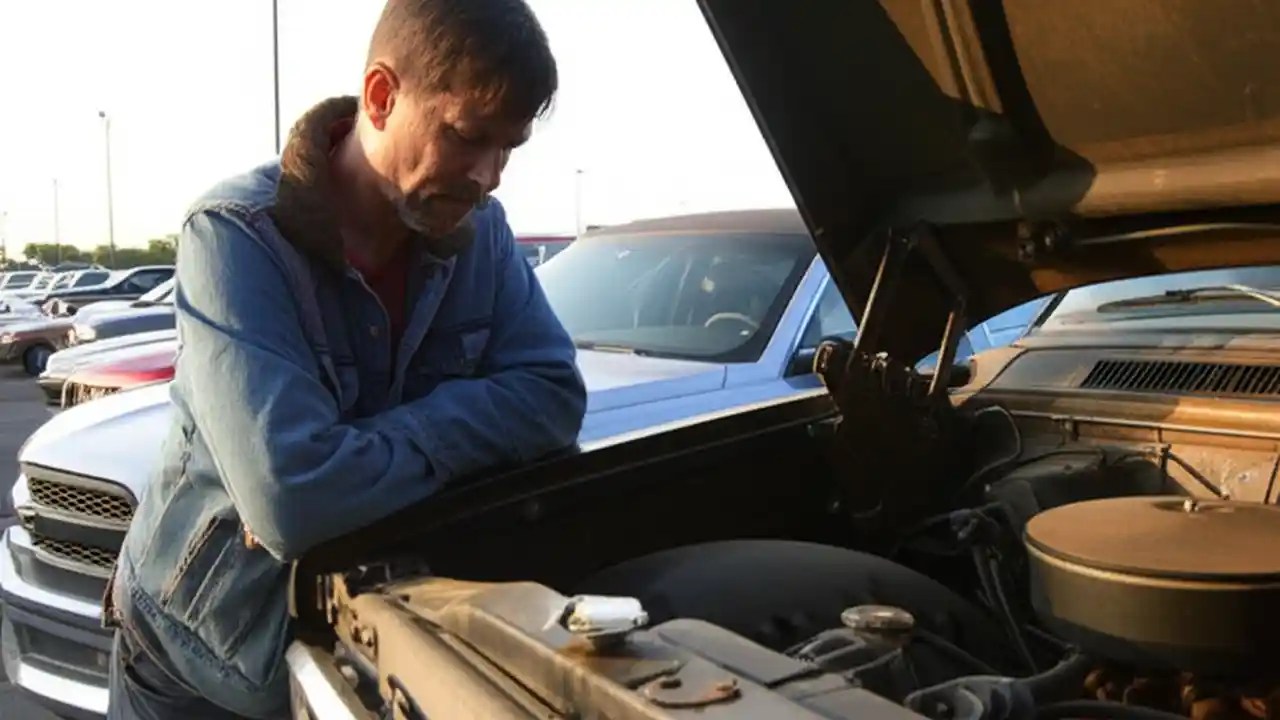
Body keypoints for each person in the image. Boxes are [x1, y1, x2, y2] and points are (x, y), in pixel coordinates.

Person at [103, 0, 586, 717]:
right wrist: (471, 434)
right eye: (466, 136)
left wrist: (354, 456)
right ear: (382, 97)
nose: (489, 177)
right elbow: (293, 497)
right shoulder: (234, 235)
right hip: (198, 662)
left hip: (349, 658)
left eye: (507, 149)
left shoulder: (481, 232)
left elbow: (553, 396)